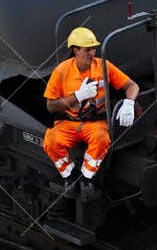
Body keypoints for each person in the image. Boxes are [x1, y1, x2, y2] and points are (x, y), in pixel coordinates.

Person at [43, 26, 139, 181]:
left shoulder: (103, 66)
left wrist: (129, 102)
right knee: (50, 141)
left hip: (96, 123)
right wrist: (78, 96)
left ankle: (86, 178)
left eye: (93, 49)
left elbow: (132, 86)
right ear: (75, 50)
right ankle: (70, 175)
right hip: (69, 122)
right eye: (87, 49)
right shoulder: (61, 72)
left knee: (101, 139)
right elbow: (50, 106)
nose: (92, 53)